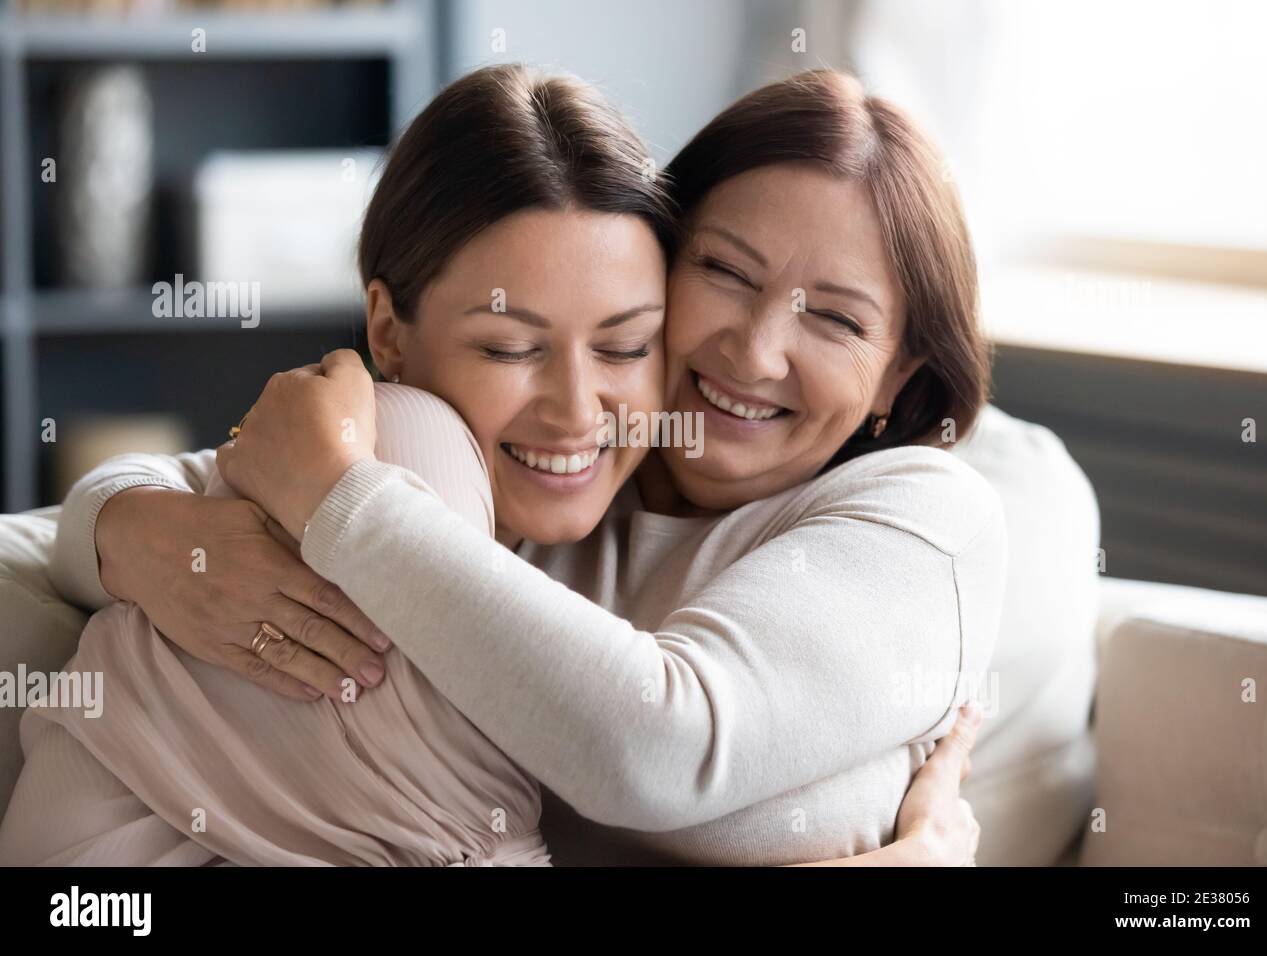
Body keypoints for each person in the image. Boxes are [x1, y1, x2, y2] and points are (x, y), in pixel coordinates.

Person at [0, 66, 986, 867]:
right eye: (725, 271)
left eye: (836, 317)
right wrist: (130, 535)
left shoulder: (913, 519)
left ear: (899, 371)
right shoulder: (511, 473)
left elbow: (655, 745)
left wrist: (348, 502)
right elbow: (150, 501)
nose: (755, 348)